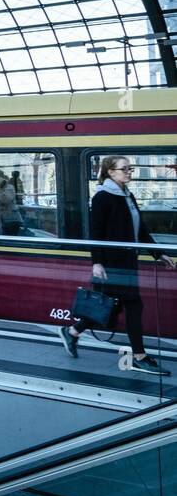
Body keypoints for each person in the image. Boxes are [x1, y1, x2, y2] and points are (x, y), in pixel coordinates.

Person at [60, 155, 176, 374]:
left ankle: (73, 332)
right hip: (113, 263)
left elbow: (139, 230)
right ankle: (139, 356)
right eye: (124, 169)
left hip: (127, 262)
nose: (129, 172)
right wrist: (97, 263)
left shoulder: (126, 195)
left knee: (110, 305)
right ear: (111, 172)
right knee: (130, 305)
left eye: (130, 169)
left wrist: (158, 253)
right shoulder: (103, 197)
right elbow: (96, 233)